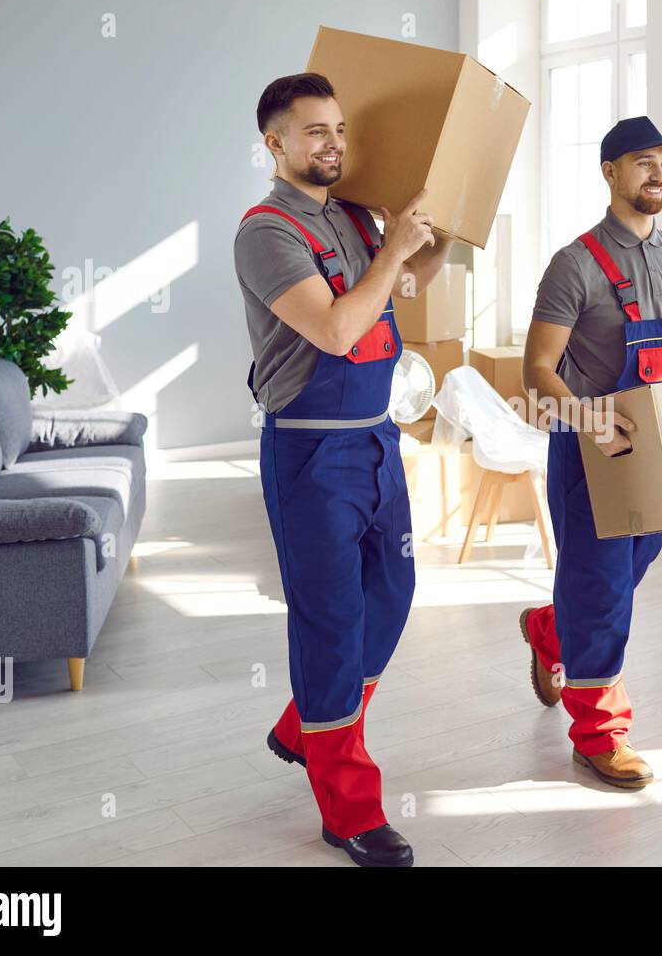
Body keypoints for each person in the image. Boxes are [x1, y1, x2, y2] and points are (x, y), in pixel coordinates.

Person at [233, 72, 451, 866]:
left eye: (339, 130)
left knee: (391, 595)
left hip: (376, 438)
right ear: (276, 143)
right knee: (330, 624)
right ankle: (349, 810)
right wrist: (392, 248)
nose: (333, 145)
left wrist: (438, 236)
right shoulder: (266, 232)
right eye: (314, 132)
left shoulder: (356, 218)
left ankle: (304, 728)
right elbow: (333, 328)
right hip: (310, 449)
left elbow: (402, 291)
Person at [519, 116, 662, 788]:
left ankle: (552, 629)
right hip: (591, 454)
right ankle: (599, 737)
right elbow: (537, 370)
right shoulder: (575, 265)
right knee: (605, 589)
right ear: (610, 173)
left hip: (656, 448)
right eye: (643, 163)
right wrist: (588, 421)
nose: (657, 175)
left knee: (619, 574)